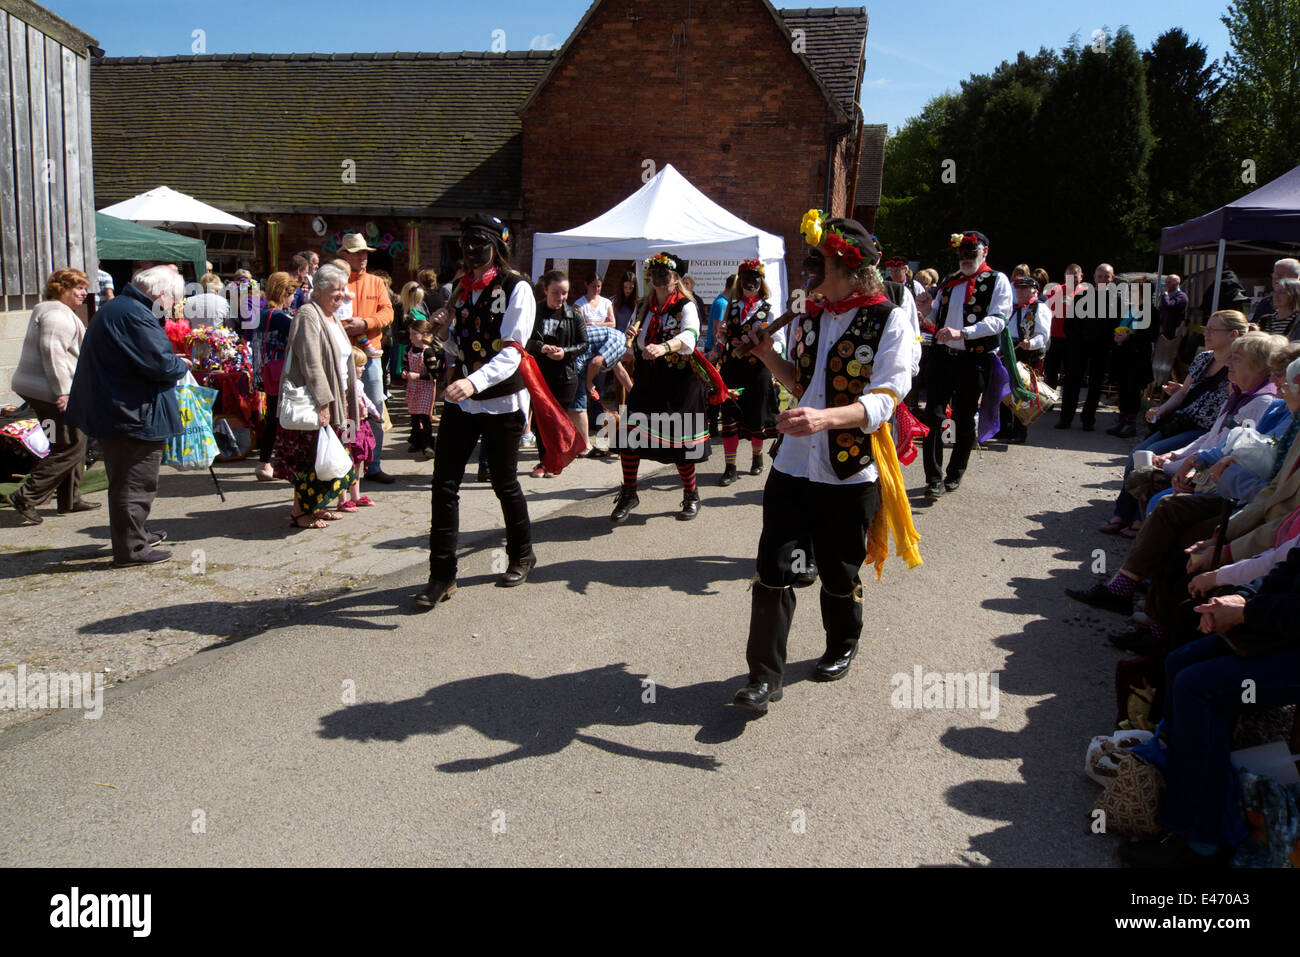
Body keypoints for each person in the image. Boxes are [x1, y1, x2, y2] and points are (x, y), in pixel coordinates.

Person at [731, 213, 916, 712]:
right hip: (793, 465)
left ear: (850, 267)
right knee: (774, 565)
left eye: (818, 262)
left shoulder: (888, 319)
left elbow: (885, 400)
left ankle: (842, 642)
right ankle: (763, 677)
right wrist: (767, 353)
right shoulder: (808, 316)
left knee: (838, 569)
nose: (808, 270)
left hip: (848, 469)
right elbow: (801, 384)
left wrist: (824, 420)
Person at [417, 213, 536, 609]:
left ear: (496, 248)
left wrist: (473, 380)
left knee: (504, 482)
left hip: (500, 400)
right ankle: (441, 575)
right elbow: (460, 348)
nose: (471, 254)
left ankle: (522, 554)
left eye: (479, 247)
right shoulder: (458, 290)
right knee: (444, 484)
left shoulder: (518, 288)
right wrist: (444, 333)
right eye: (466, 247)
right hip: (464, 400)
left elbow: (512, 353)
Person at [65, 266, 192, 566]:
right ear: (161, 294)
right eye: (175, 298)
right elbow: (159, 363)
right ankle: (132, 549)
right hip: (130, 413)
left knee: (129, 480)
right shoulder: (133, 313)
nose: (175, 305)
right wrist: (181, 365)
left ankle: (136, 536)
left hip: (124, 409)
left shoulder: (125, 308)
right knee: (134, 482)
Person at [1099, 310, 1245, 536]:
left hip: (1205, 430)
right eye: (1207, 328)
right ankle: (1123, 513)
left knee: (1149, 456)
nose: (1206, 333)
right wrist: (1160, 409)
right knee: (1138, 454)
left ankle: (1139, 518)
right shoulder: (1204, 358)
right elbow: (1184, 393)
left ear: (1233, 334)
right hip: (1182, 422)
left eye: (1213, 330)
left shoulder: (1239, 366)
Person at [608, 251, 710, 523]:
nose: (659, 281)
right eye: (655, 276)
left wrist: (664, 346)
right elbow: (637, 345)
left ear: (676, 279)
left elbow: (689, 336)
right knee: (629, 436)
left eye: (665, 276)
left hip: (678, 382)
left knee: (680, 443)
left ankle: (691, 494)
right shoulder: (645, 306)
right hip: (649, 379)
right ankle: (629, 492)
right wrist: (631, 341)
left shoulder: (686, 306)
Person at [270, 263, 360, 529]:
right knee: (309, 457)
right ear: (318, 289)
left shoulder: (331, 316)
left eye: (344, 289)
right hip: (315, 400)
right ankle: (299, 512)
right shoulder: (309, 315)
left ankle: (316, 506)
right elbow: (311, 363)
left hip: (337, 398)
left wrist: (354, 400)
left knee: (326, 455)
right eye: (336, 290)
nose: (342, 295)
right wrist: (323, 402)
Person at [921, 230, 1011, 496]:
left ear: (985, 252)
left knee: (963, 416)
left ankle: (955, 472)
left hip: (974, 359)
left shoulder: (997, 280)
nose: (965, 259)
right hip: (942, 357)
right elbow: (937, 318)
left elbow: (998, 319)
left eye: (971, 253)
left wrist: (964, 333)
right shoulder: (950, 280)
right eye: (961, 254)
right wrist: (926, 309)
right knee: (934, 416)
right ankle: (933, 478)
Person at [8, 269, 95, 523]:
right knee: (70, 445)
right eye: (78, 288)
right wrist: (64, 393)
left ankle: (71, 499)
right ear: (62, 289)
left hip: (38, 387)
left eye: (84, 287)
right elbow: (52, 354)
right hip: (50, 390)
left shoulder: (48, 309)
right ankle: (26, 496)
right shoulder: (57, 315)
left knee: (73, 440)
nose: (83, 293)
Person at [715, 259, 782, 485]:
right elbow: (721, 339)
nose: (750, 282)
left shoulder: (769, 310)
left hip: (757, 370)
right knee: (730, 415)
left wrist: (768, 349)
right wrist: (721, 333)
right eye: (746, 278)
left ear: (761, 281)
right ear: (739, 281)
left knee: (756, 416)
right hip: (732, 369)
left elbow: (780, 342)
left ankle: (757, 456)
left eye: (755, 278)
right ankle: (730, 467)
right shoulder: (731, 306)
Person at [337, 232, 395, 484]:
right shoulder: (336, 280)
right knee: (342, 408)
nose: (363, 257)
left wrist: (366, 323)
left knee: (374, 407)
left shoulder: (375, 282)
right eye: (357, 252)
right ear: (344, 255)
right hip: (340, 353)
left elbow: (388, 312)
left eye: (365, 253)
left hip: (370, 355)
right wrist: (344, 326)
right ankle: (344, 463)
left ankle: (374, 463)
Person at [526, 270, 588, 476]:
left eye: (564, 293)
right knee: (540, 420)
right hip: (539, 375)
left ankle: (552, 461)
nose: (560, 298)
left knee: (556, 420)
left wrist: (565, 353)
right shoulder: (535, 312)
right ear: (545, 290)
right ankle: (546, 461)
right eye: (555, 292)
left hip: (565, 376)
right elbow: (524, 340)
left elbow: (583, 344)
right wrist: (541, 347)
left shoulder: (574, 314)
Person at [1057, 263, 1121, 431]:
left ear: (1112, 278)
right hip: (1079, 347)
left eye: (1106, 277)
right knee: (1072, 382)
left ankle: (1088, 419)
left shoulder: (1117, 301)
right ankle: (1065, 418)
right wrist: (1076, 342)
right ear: (1094, 278)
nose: (1103, 280)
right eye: (1100, 276)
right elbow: (1069, 325)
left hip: (1102, 348)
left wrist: (1111, 344)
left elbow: (1117, 325)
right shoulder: (1082, 297)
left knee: (1096, 384)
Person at [998, 274, 1051, 444]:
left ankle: (1020, 432)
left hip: (1027, 353)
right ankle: (1004, 428)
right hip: (1009, 351)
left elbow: (1043, 335)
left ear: (1034, 290)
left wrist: (1031, 343)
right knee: (1004, 390)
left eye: (1024, 288)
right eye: (1018, 287)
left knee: (1022, 392)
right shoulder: (1012, 307)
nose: (1020, 291)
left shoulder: (1039, 308)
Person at [253, 272, 296, 481]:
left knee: (273, 417)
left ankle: (265, 462)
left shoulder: (264, 313)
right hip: (279, 374)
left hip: (266, 372)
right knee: (278, 418)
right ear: (283, 293)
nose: (293, 298)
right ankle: (267, 462)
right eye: (291, 294)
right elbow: (300, 333)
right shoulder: (278, 316)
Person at [1108, 276, 1158, 438]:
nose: (1130, 293)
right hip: (1124, 357)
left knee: (1132, 391)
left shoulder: (1151, 311)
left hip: (1137, 359)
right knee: (1123, 390)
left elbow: (1151, 335)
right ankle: (1122, 420)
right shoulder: (1131, 309)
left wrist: (1128, 338)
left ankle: (1130, 424)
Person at [341, 346, 380, 512]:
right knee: (347, 459)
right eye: (360, 365)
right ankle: (342, 499)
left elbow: (366, 400)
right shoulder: (344, 384)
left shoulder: (359, 384)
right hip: (348, 424)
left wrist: (375, 412)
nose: (363, 368)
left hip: (359, 424)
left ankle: (355, 495)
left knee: (357, 459)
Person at [403, 318, 437, 459]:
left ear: (423, 335)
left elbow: (434, 374)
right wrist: (404, 372)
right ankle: (416, 441)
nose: (411, 337)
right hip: (413, 388)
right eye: (410, 334)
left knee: (424, 416)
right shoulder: (408, 350)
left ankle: (428, 444)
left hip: (425, 388)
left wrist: (418, 376)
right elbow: (405, 365)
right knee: (414, 416)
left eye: (414, 334)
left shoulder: (428, 352)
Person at [1249, 258, 1300, 325]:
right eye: (1274, 275)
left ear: (1296, 277)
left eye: (1280, 275)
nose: (1276, 279)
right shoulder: (1265, 303)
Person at [1158, 273, 1189, 339]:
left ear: (1176, 283)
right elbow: (1163, 310)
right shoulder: (1169, 296)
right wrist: (1161, 324)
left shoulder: (1181, 297)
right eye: (1165, 282)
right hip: (1164, 331)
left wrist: (1165, 294)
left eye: (1169, 282)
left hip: (1173, 332)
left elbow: (1168, 306)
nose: (1166, 284)